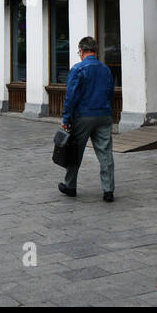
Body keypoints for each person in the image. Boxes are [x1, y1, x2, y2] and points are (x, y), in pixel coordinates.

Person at [58, 36, 116, 202]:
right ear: (95, 51)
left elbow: (71, 96)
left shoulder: (78, 69)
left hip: (83, 116)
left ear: (81, 51)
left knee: (75, 152)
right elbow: (110, 92)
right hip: (103, 114)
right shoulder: (105, 69)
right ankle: (108, 190)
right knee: (105, 154)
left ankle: (70, 186)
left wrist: (66, 118)